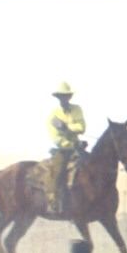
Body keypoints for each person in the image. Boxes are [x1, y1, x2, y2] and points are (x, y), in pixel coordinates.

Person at [46, 82, 87, 213]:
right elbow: (56, 138)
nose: (64, 99)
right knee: (57, 172)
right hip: (63, 149)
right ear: (58, 98)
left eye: (66, 96)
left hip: (78, 147)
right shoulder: (53, 116)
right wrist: (69, 143)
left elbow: (82, 128)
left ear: (69, 97)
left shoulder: (77, 109)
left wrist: (67, 127)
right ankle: (53, 202)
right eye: (61, 97)